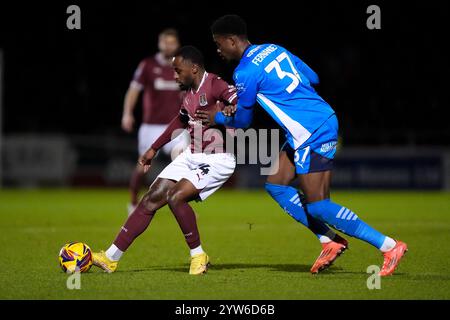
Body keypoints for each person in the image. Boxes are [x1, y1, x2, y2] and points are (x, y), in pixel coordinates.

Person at [196, 14, 407, 276]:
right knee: (276, 185)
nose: (217, 50)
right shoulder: (273, 49)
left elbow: (243, 123)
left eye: (218, 44)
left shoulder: (244, 71)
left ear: (230, 40)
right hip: (308, 127)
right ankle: (328, 240)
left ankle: (389, 246)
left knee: (319, 205)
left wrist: (217, 116)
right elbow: (314, 77)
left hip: (312, 131)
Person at [92, 46, 238, 275]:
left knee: (176, 197)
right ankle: (111, 257)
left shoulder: (215, 84)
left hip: (218, 158)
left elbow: (241, 103)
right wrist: (153, 148)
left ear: (194, 68)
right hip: (192, 155)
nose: (175, 76)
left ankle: (198, 255)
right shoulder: (189, 93)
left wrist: (229, 110)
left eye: (178, 71)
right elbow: (179, 121)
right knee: (150, 199)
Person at [122, 28, 189, 215]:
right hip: (150, 126)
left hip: (175, 126)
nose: (168, 46)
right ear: (159, 44)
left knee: (183, 160)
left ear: (177, 45)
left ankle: (181, 204)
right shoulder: (148, 65)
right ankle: (133, 203)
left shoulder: (182, 66)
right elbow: (133, 90)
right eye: (164, 42)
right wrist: (127, 113)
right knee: (142, 166)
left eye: (172, 42)